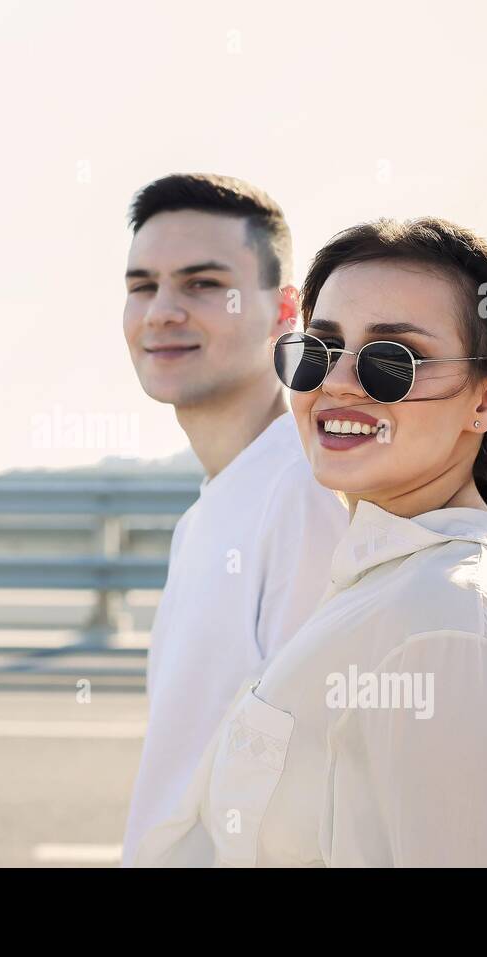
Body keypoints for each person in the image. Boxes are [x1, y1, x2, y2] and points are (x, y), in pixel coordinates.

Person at [131, 216, 487, 867]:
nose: (336, 382)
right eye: (318, 350)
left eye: (392, 361)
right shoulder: (386, 583)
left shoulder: (445, 622)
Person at [118, 174, 349, 867]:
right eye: (142, 285)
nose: (161, 311)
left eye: (201, 283)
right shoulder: (214, 506)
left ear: (285, 311)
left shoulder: (304, 494)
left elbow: (311, 787)